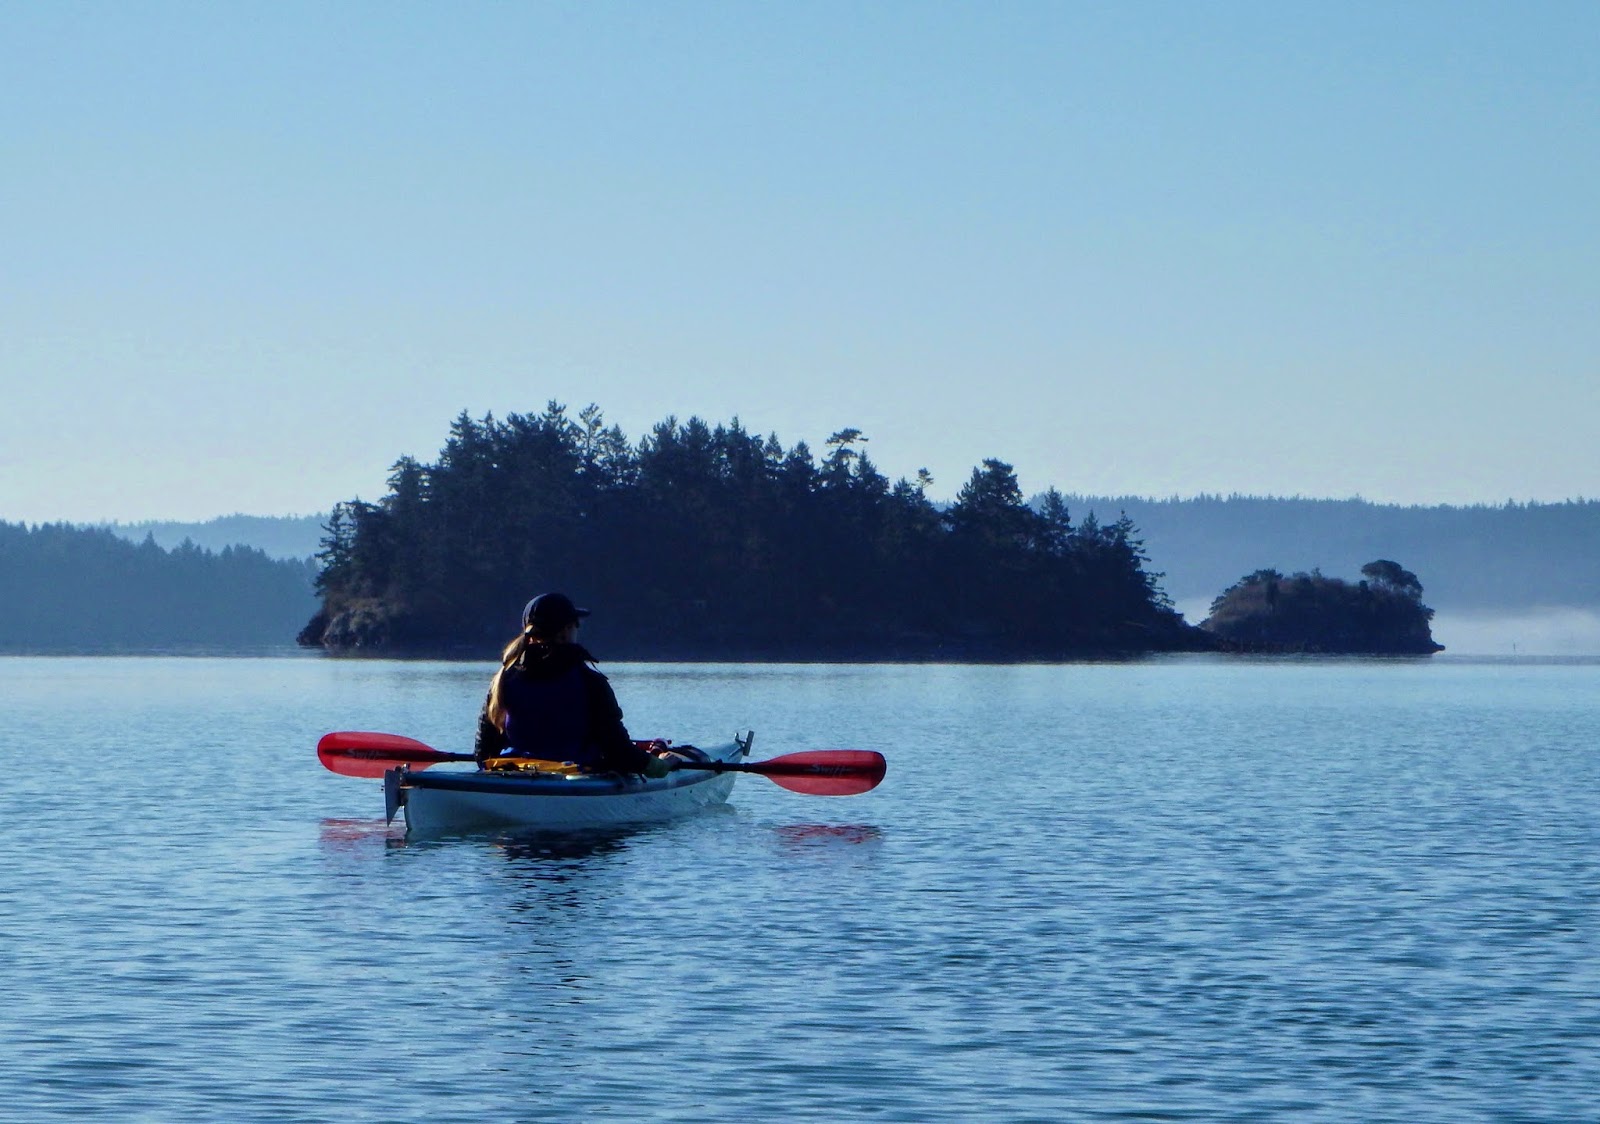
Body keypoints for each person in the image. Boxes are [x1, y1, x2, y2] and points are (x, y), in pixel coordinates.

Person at [474, 592, 673, 777]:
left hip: (516, 774)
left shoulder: (502, 680)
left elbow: (483, 755)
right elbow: (618, 752)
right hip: (576, 777)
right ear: (566, 631)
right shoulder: (590, 683)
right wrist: (660, 765)